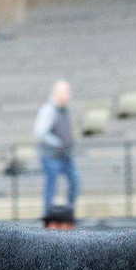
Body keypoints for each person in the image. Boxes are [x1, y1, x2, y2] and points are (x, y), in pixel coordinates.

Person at [34, 80, 79, 214]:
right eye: (65, 92)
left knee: (75, 182)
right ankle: (48, 215)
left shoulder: (65, 110)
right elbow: (40, 133)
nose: (68, 95)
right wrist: (58, 143)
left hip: (65, 155)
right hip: (51, 156)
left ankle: (68, 212)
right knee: (51, 186)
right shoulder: (48, 110)